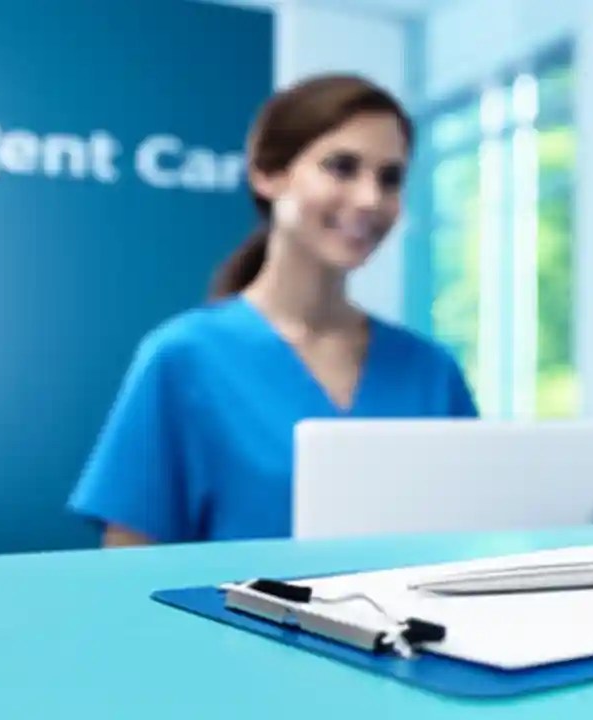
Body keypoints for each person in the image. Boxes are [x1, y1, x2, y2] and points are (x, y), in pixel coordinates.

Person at [68, 74, 479, 547]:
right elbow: (128, 566)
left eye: (390, 178)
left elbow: (471, 547)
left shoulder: (431, 372)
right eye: (341, 167)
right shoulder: (182, 359)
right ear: (268, 173)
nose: (370, 198)